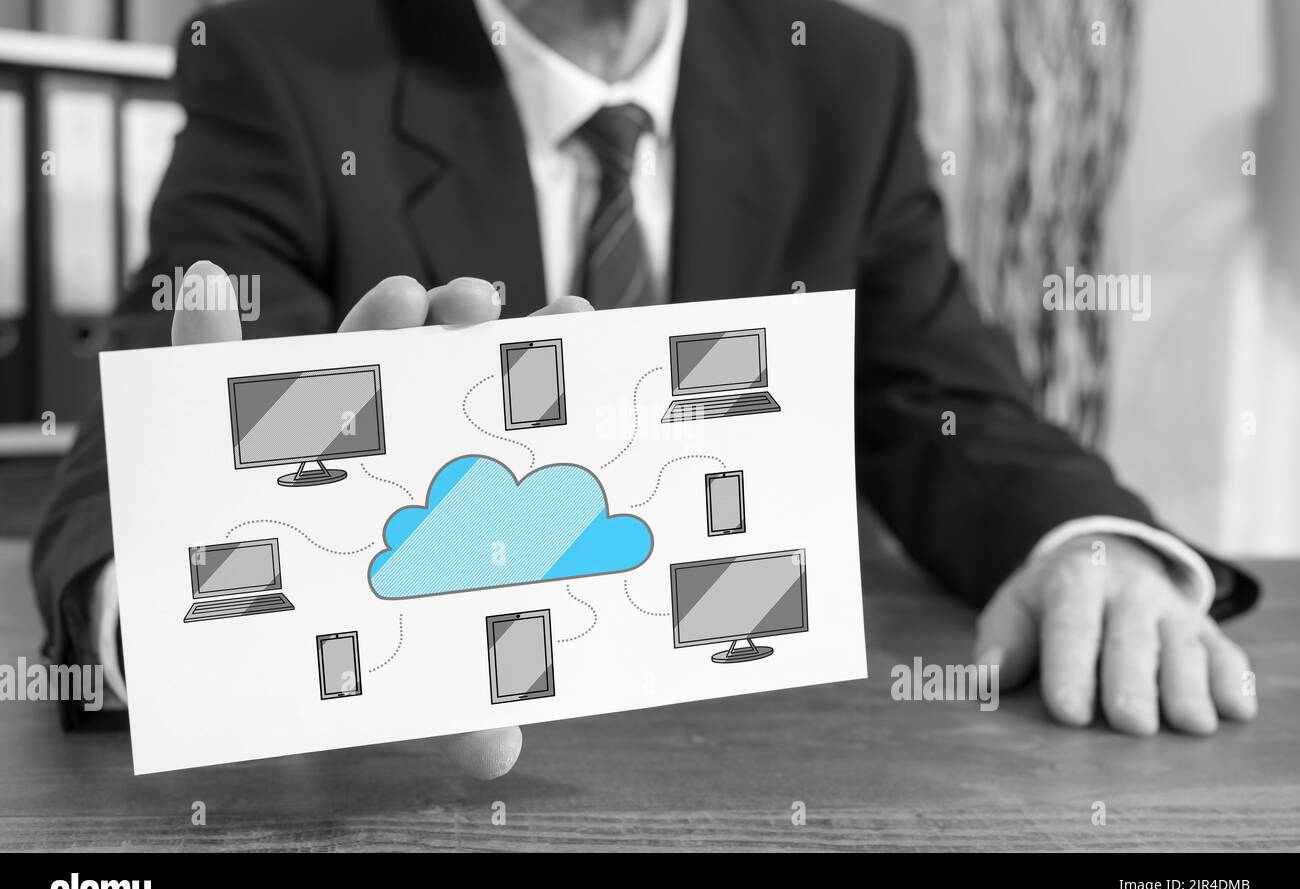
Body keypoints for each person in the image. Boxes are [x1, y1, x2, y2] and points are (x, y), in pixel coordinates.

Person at [31, 0, 1259, 779]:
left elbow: (936, 395)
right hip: (380, 787)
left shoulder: (844, 74)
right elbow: (164, 390)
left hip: (769, 766)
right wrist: (192, 616)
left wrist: (1083, 543)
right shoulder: (282, 57)